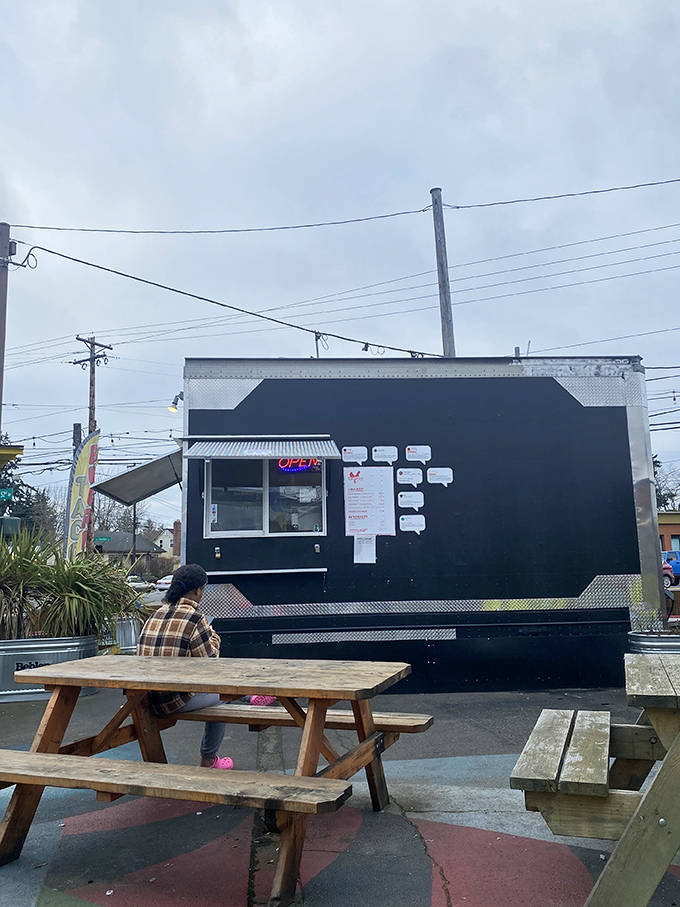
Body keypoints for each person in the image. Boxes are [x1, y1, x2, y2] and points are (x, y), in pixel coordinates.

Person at [136, 563, 276, 770]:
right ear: (197, 590)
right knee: (224, 697)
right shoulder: (195, 618)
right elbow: (211, 664)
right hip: (174, 700)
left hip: (147, 698)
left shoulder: (154, 615)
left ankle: (251, 697)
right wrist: (213, 635)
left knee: (222, 689)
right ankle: (209, 759)